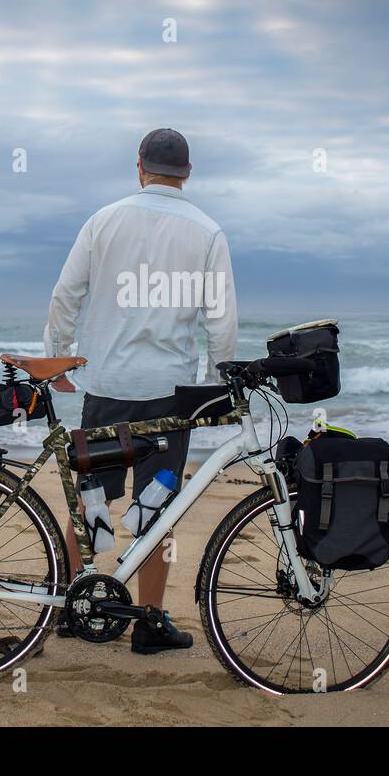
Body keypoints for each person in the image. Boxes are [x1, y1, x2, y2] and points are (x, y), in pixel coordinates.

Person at [44, 127, 237, 654]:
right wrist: (221, 384)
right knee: (158, 508)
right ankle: (149, 623)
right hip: (168, 394)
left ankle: (69, 606)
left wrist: (58, 356)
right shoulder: (208, 232)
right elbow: (222, 324)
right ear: (188, 173)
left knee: (90, 499)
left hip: (106, 386)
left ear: (139, 166)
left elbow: (67, 294)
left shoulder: (103, 220)